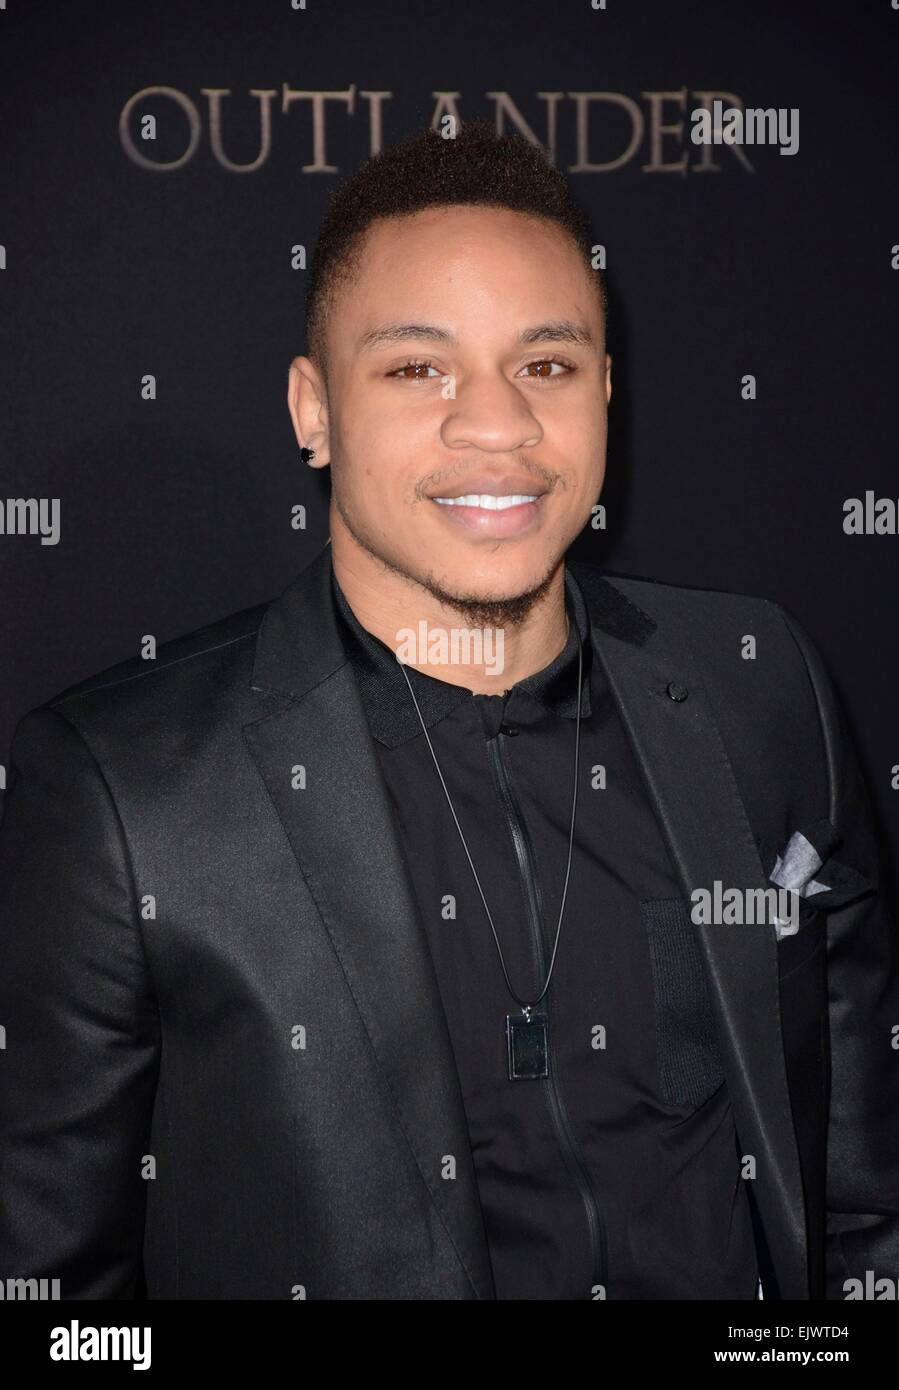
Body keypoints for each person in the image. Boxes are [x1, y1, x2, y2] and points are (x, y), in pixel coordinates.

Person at [1, 121, 896, 1301]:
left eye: (547, 363)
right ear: (311, 410)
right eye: (418, 367)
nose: (498, 425)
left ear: (606, 395)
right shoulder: (124, 785)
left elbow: (864, 1189)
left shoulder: (755, 676)